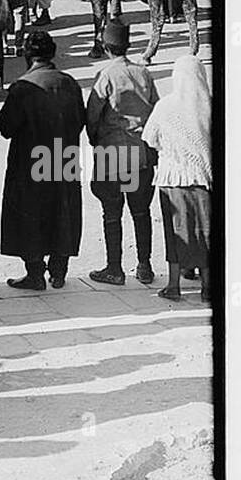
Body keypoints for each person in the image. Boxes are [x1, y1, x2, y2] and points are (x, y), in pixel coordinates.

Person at [0, 29, 86, 290]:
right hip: (64, 158)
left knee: (30, 214)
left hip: (31, 162)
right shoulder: (69, 82)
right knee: (64, 210)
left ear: (27, 55)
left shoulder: (23, 87)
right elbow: (81, 120)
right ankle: (59, 272)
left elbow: (5, 127)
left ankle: (35, 273)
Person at [85, 20, 158, 286]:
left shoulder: (105, 77)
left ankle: (114, 268)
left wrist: (96, 140)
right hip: (140, 153)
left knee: (112, 214)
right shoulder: (144, 73)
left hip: (111, 154)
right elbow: (156, 109)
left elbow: (92, 116)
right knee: (141, 212)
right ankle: (145, 266)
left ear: (105, 47)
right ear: (127, 45)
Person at [142, 55, 211, 302]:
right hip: (204, 180)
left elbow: (150, 138)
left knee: (175, 233)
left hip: (171, 179)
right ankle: (207, 287)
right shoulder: (211, 106)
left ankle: (173, 286)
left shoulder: (166, 106)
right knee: (205, 233)